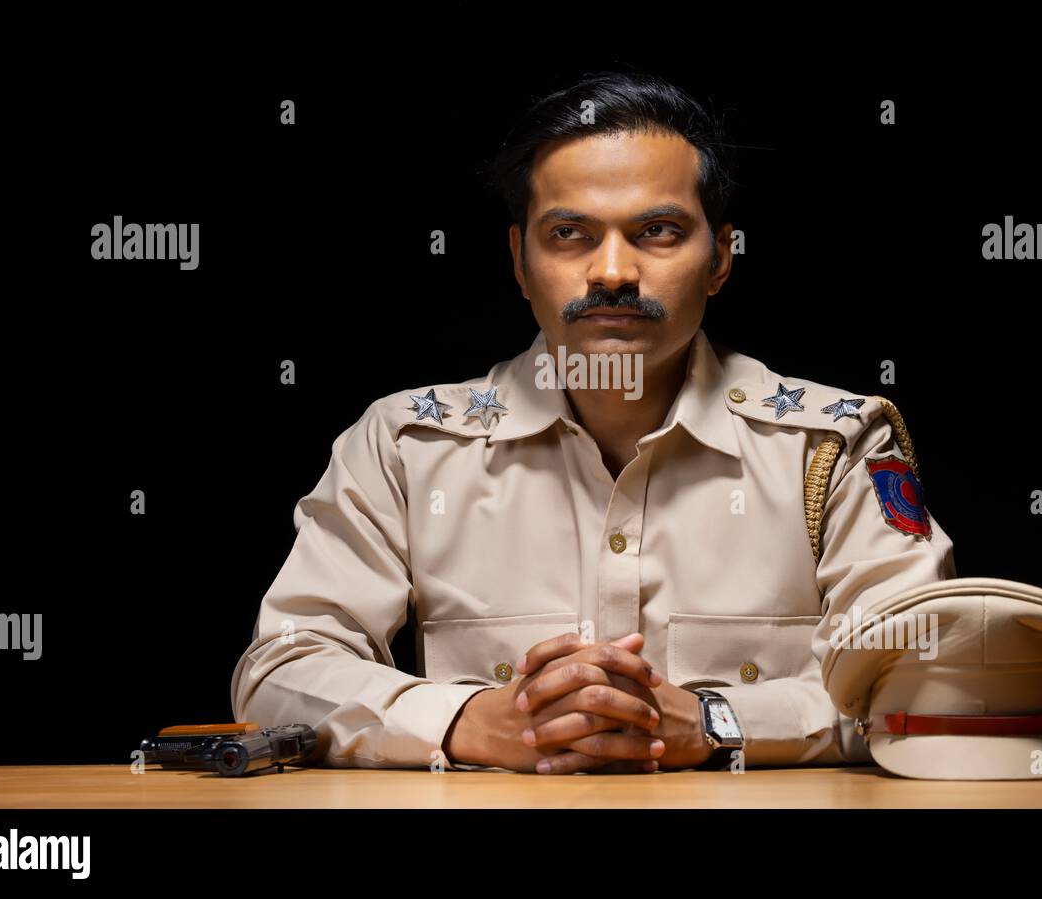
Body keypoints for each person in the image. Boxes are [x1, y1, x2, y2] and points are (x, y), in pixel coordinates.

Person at [230, 71, 957, 774]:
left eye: (659, 231)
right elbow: (282, 666)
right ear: (519, 261)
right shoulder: (403, 446)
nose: (613, 270)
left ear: (721, 258)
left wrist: (714, 723)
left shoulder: (834, 444)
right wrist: (469, 721)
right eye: (571, 233)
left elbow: (927, 678)